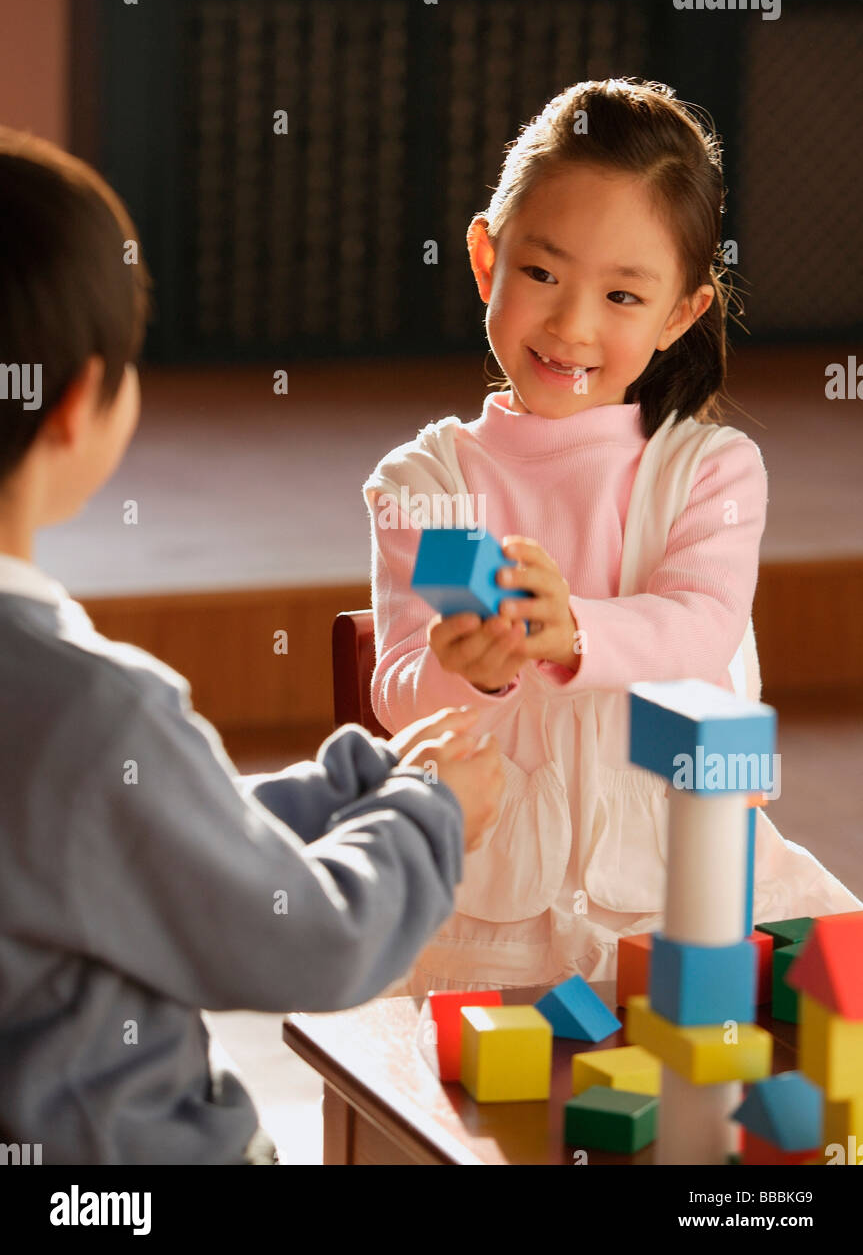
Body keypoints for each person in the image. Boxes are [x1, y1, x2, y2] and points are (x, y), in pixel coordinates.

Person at [0, 126, 503, 1164]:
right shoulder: (96, 711)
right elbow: (313, 942)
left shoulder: (77, 730)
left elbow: (131, 840)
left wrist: (349, 786)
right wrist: (428, 815)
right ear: (81, 402)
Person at [364, 78, 862, 996]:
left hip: (692, 884)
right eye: (541, 274)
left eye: (624, 295)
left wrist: (574, 632)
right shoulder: (423, 483)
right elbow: (398, 688)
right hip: (496, 899)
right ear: (485, 257)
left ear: (680, 313)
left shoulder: (710, 469)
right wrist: (472, 668)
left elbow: (700, 627)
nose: (571, 324)